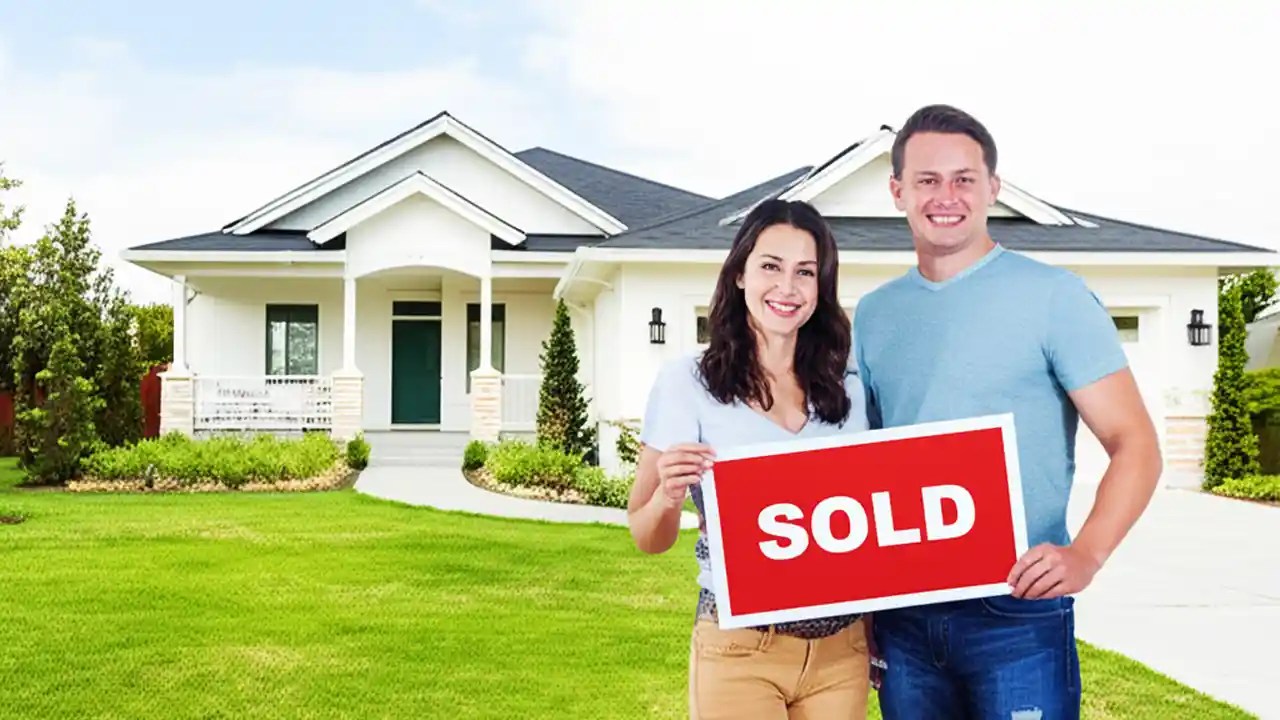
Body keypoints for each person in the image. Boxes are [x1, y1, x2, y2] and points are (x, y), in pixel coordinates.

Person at [853, 104, 1163, 718]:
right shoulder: (874, 313)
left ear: (993, 187)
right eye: (927, 179)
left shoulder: (1054, 297)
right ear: (897, 191)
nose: (946, 196)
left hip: (1017, 610)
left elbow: (1136, 445)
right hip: (905, 615)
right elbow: (870, 466)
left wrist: (1087, 554)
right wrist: (866, 604)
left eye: (964, 179)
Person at [628, 198, 873, 719]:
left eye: (805, 272)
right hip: (740, 647)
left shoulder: (848, 388)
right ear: (740, 273)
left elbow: (865, 527)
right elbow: (647, 536)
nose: (787, 287)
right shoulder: (687, 382)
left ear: (821, 286)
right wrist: (669, 496)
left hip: (842, 652)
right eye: (770, 266)